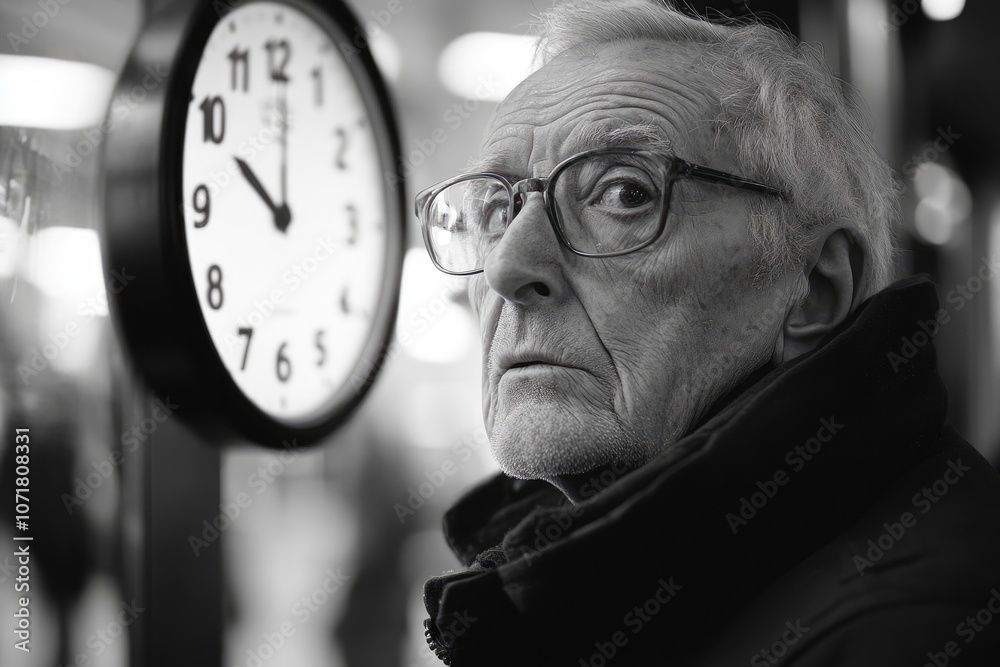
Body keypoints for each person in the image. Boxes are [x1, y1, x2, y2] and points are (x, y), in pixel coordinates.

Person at [414, 1, 1000, 665]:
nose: (506, 266)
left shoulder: (915, 627)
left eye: (622, 193)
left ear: (815, 288)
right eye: (496, 209)